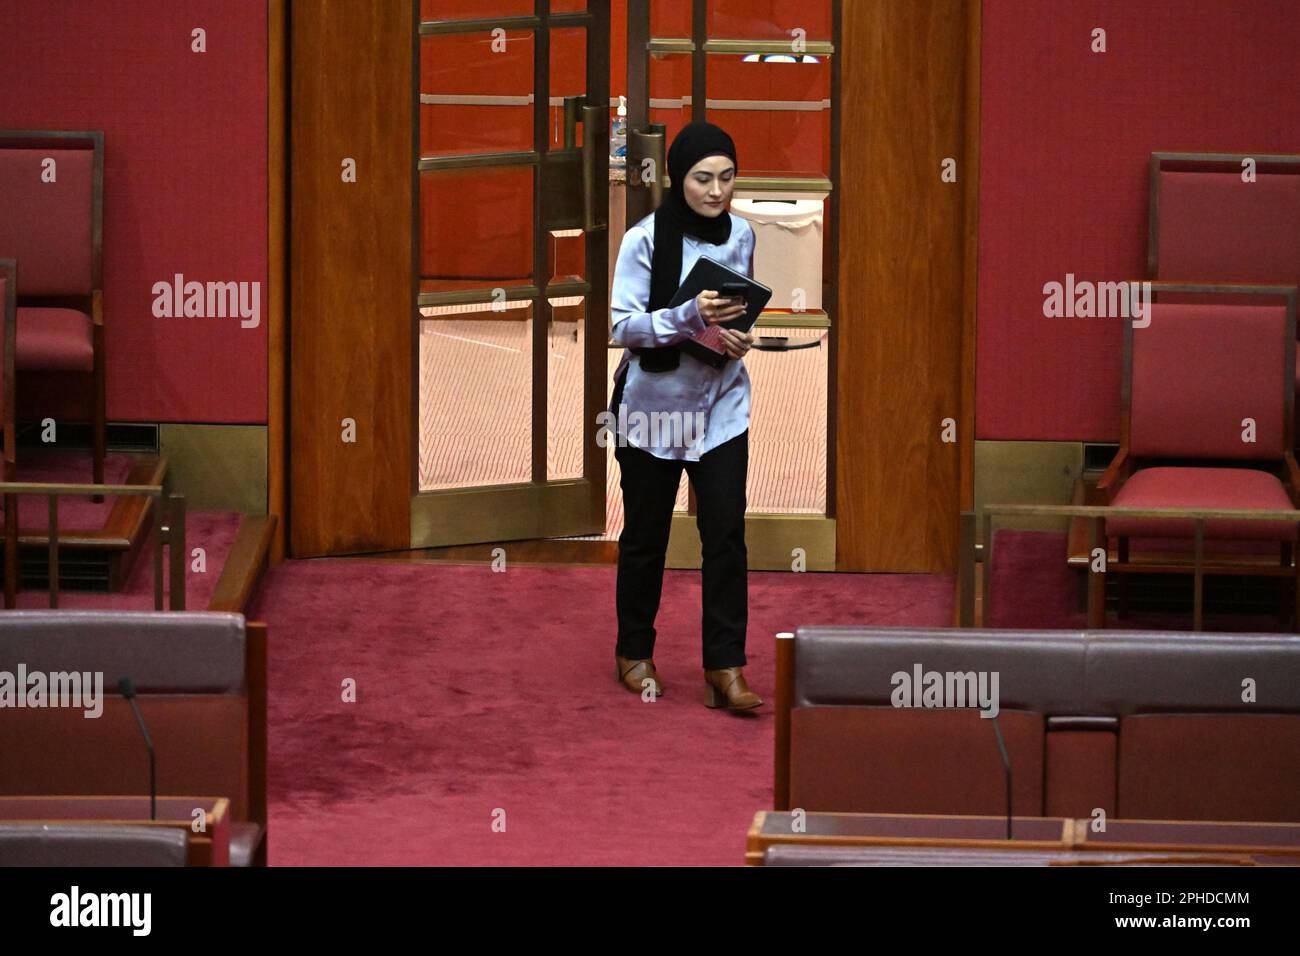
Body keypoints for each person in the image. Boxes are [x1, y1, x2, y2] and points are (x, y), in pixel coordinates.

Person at [608, 120, 761, 711]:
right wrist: (687, 314)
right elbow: (623, 328)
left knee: (725, 535)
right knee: (646, 536)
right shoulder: (643, 239)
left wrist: (737, 337)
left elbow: (739, 312)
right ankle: (633, 651)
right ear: (679, 178)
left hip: (722, 405)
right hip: (655, 409)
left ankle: (725, 666)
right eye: (703, 178)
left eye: (726, 177)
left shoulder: (743, 234)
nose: (716, 190)